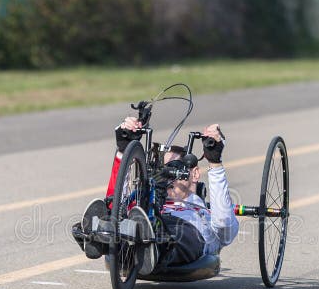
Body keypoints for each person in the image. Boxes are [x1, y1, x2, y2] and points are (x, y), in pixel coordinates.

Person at [76, 117, 239, 275]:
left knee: (179, 235)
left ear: (194, 174)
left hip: (184, 231)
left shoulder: (204, 213)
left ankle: (153, 246)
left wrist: (215, 163)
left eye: (173, 169)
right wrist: (123, 151)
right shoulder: (143, 203)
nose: (165, 175)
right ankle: (97, 236)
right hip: (145, 220)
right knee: (120, 215)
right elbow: (116, 201)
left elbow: (225, 228)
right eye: (161, 170)